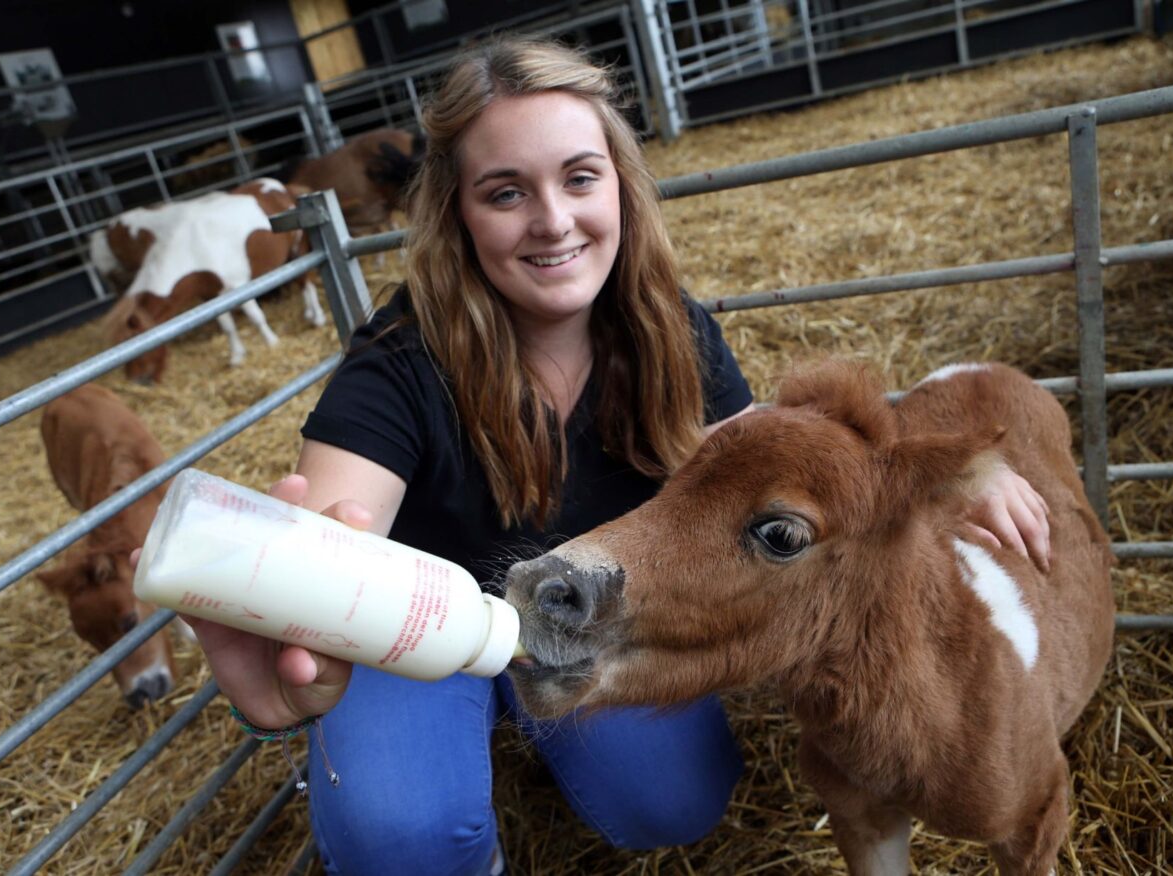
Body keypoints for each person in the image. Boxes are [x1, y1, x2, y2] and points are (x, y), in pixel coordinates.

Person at [177, 37, 1051, 876]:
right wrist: (289, 610)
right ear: (456, 211)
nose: (554, 221)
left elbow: (758, 461)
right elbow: (332, 525)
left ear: (619, 186)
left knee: (676, 803)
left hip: (586, 606)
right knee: (401, 836)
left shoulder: (668, 330)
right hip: (423, 634)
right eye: (505, 192)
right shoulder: (398, 365)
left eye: (579, 178)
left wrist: (935, 469)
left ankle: (527, 704)